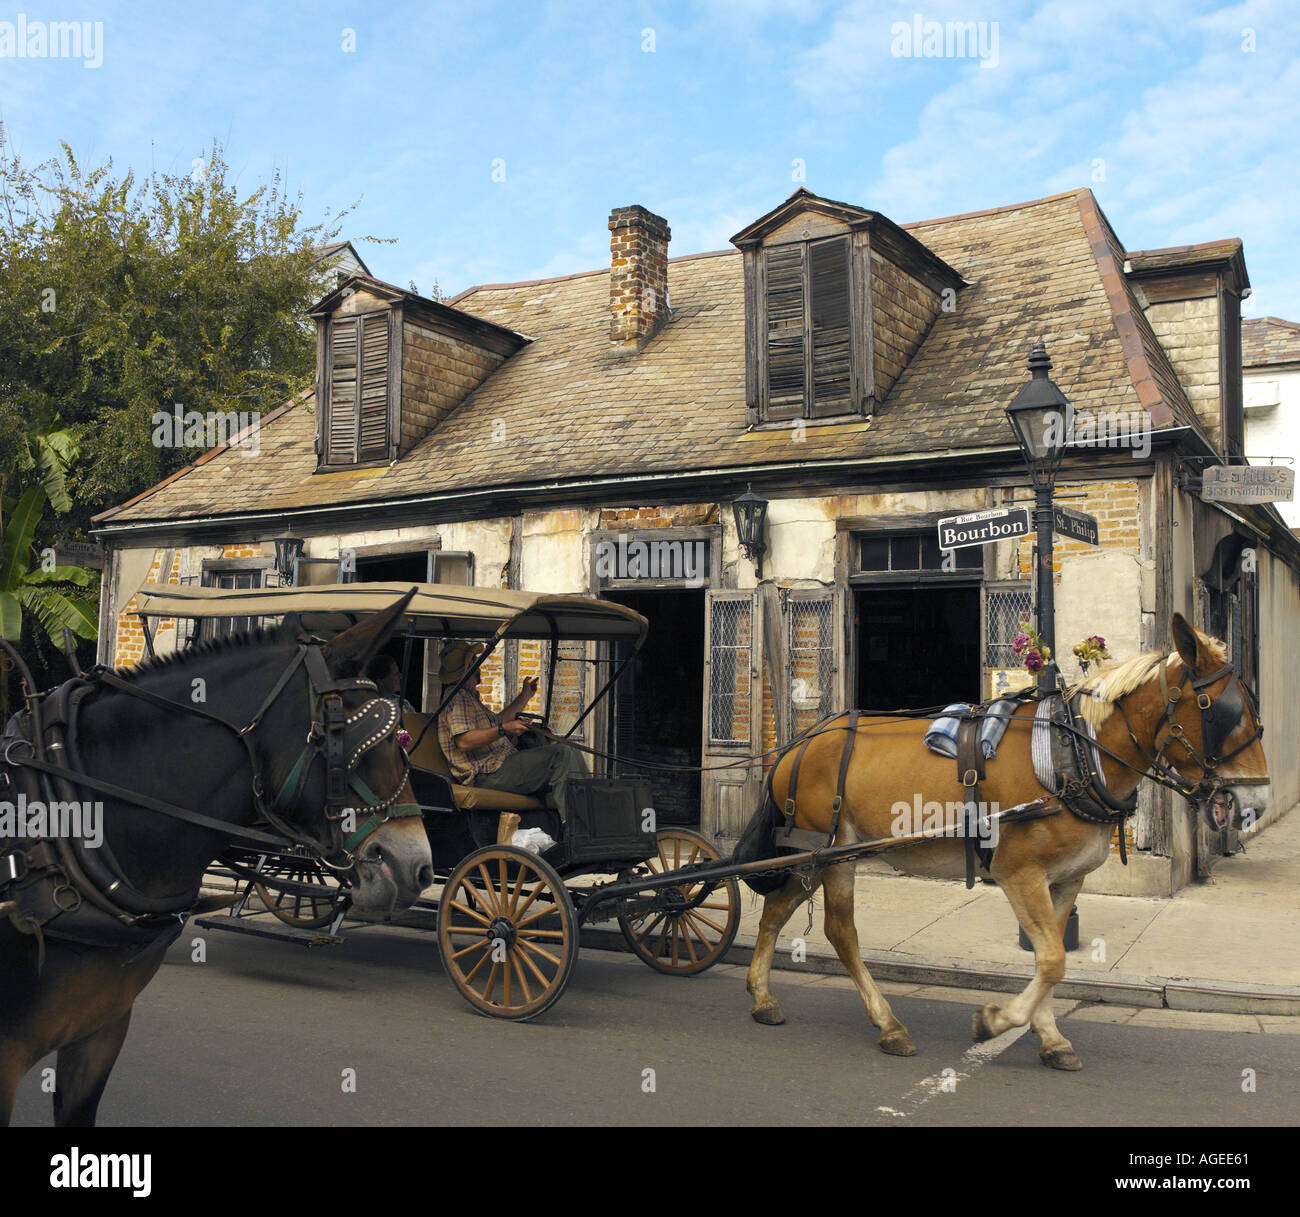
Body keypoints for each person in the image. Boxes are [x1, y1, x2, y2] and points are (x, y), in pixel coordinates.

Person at [435, 641, 585, 821]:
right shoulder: (457, 697)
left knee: (570, 750)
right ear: (469, 667)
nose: (479, 666)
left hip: (500, 765)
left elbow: (499, 720)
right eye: (475, 662)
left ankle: (578, 819)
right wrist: (503, 729)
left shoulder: (469, 697)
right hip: (487, 774)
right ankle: (577, 828)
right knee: (561, 755)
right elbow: (464, 741)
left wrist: (525, 696)